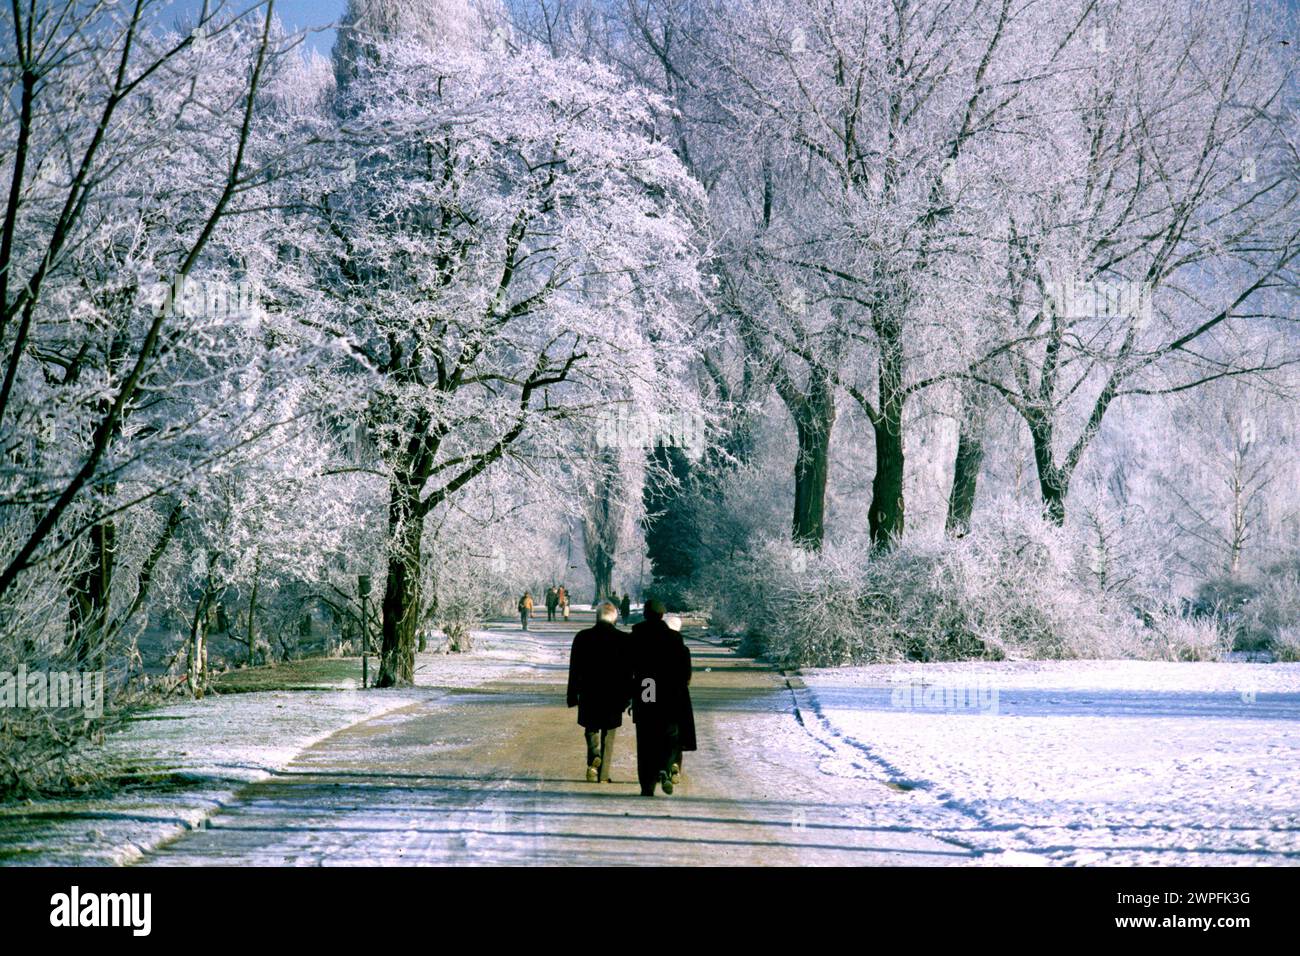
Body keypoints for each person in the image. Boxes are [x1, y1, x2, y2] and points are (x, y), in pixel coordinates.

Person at [629, 598, 692, 796]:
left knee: (646, 736)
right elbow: (684, 670)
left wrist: (629, 694)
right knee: (669, 733)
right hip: (670, 693)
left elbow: (628, 667)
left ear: (646, 614)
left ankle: (647, 785)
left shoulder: (637, 634)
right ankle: (665, 768)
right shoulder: (674, 638)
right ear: (662, 615)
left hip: (647, 689)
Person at [566, 602, 633, 783]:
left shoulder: (582, 637)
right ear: (615, 618)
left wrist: (572, 695)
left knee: (591, 728)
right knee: (609, 734)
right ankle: (603, 775)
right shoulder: (624, 640)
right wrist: (629, 697)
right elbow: (628, 672)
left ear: (597, 617)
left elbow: (574, 670)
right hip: (614, 695)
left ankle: (594, 758)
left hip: (590, 693)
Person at [663, 613, 696, 785]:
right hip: (679, 696)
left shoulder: (656, 648)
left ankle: (662, 766)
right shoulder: (683, 650)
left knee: (660, 731)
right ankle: (675, 764)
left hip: (657, 696)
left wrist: (646, 698)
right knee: (677, 732)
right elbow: (687, 678)